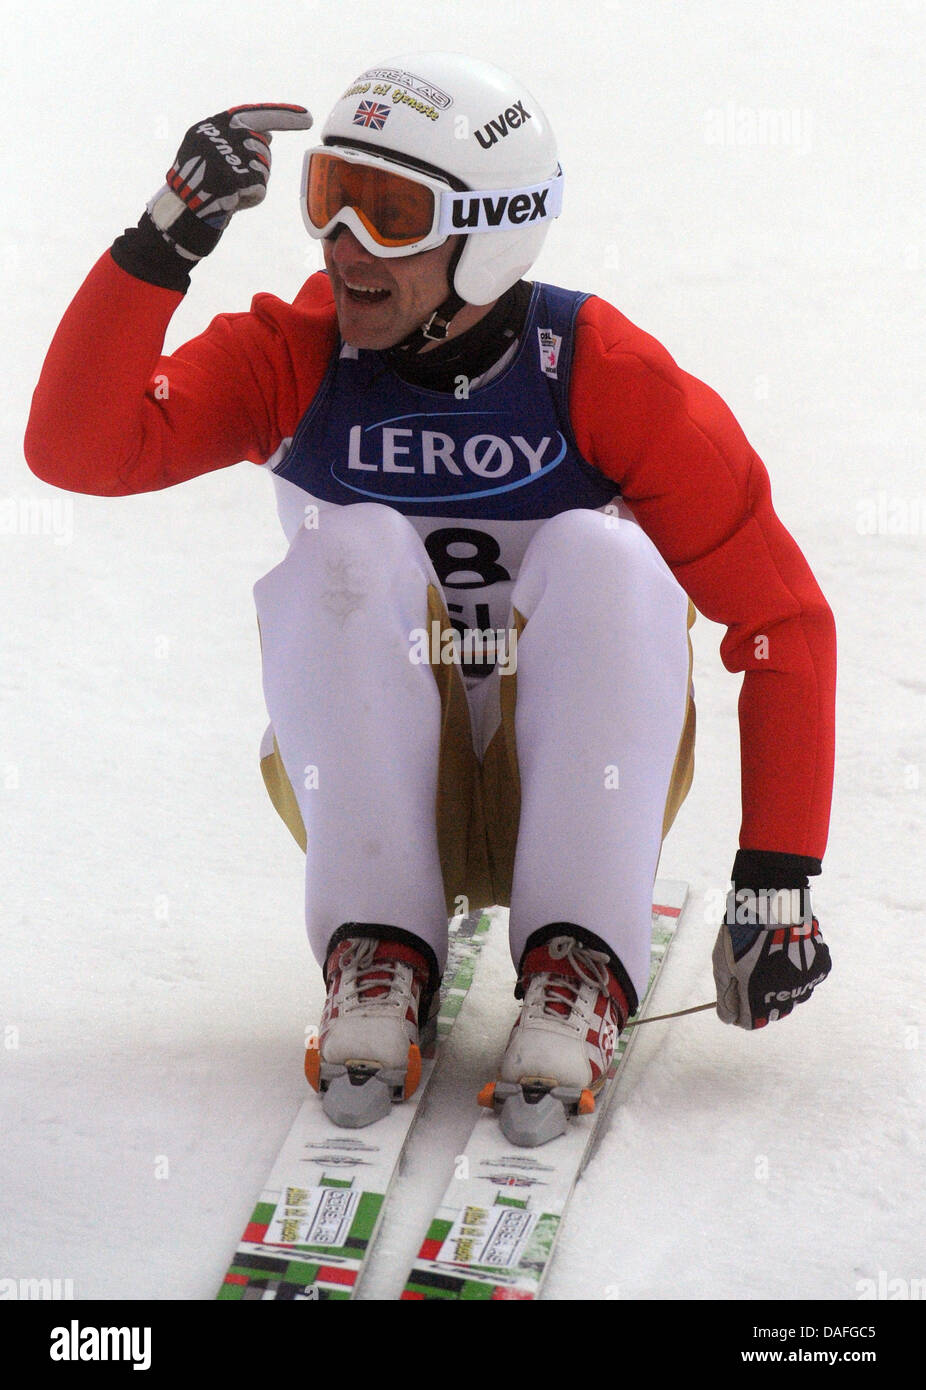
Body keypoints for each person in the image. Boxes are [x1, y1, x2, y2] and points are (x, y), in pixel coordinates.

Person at [25, 52, 835, 1133]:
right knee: (344, 547)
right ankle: (375, 939)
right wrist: (168, 234)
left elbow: (780, 618)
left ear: (489, 230)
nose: (346, 246)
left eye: (392, 213)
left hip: (580, 766)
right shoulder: (296, 356)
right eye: (331, 198)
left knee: (607, 560)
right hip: (372, 778)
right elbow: (77, 448)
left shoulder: (596, 371)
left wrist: (777, 877)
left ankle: (578, 957)